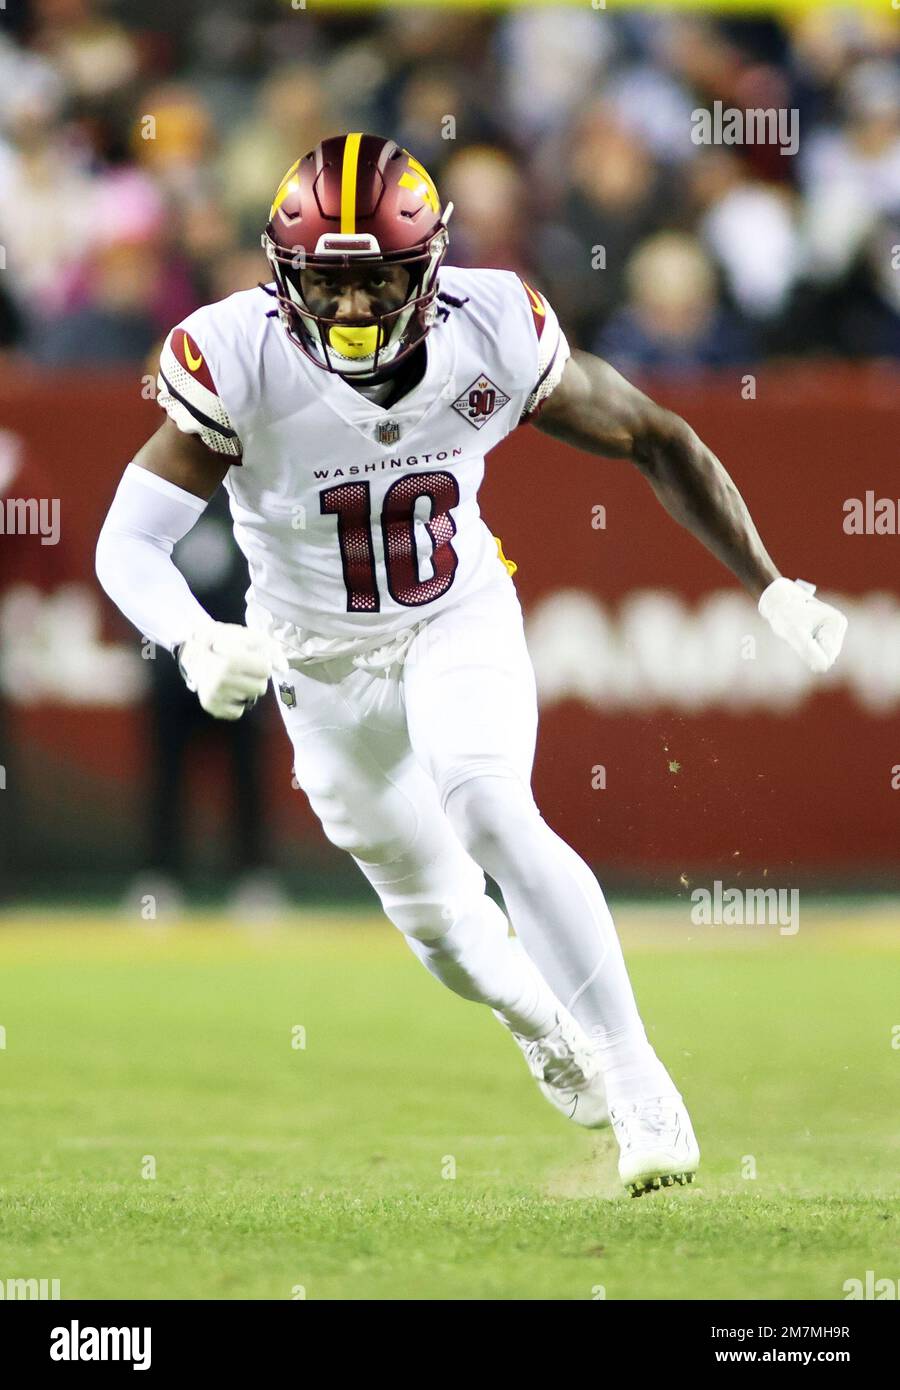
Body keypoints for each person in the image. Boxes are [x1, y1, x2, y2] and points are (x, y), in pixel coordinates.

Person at [95, 133, 847, 1197]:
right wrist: (192, 634)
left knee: (491, 805)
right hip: (316, 660)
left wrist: (768, 578)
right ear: (285, 273)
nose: (353, 311)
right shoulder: (236, 354)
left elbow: (655, 436)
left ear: (430, 269)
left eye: (378, 282)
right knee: (444, 928)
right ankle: (541, 1023)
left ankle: (641, 1084)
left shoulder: (492, 327)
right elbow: (126, 540)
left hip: (456, 617)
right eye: (331, 284)